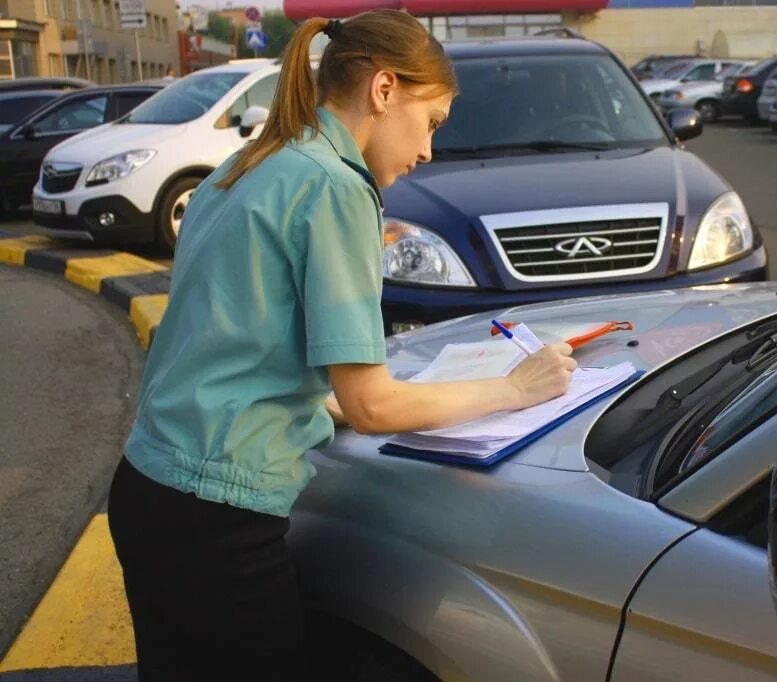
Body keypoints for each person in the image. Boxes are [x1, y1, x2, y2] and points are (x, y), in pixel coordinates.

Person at [106, 9, 577, 680]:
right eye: (432, 121)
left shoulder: (254, 161)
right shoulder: (336, 187)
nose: (428, 152)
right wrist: (515, 388)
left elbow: (229, 331)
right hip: (220, 524)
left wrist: (310, 400)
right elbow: (373, 406)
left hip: (154, 490)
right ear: (384, 90)